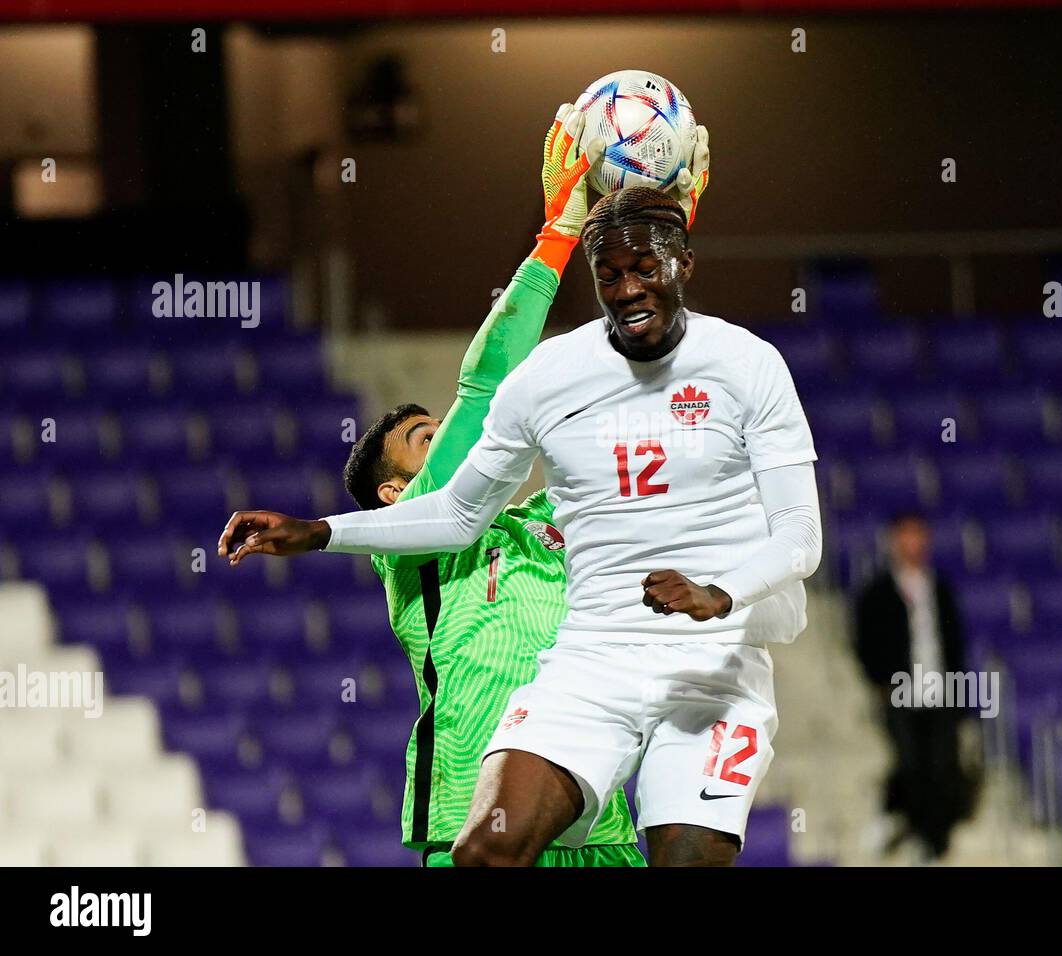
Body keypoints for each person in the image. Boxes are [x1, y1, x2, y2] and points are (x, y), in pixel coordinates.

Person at [219, 178, 822, 867]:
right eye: (610, 274)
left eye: (645, 267)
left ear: (682, 263)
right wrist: (322, 532)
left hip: (684, 708)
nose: (625, 288)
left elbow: (791, 532)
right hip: (575, 696)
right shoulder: (525, 412)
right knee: (488, 852)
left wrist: (724, 589)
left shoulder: (557, 511)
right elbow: (456, 486)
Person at [335, 104, 642, 866]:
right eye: (427, 443)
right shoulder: (411, 550)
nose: (455, 448)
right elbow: (488, 392)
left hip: (596, 826)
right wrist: (558, 235)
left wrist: (658, 239)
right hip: (473, 826)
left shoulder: (551, 516)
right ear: (392, 497)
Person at [854, 511, 971, 861]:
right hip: (899, 692)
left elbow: (955, 641)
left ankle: (934, 843)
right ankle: (902, 819)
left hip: (941, 691)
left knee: (942, 767)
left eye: (918, 536)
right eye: (905, 536)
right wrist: (880, 682)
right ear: (893, 541)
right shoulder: (877, 592)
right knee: (909, 763)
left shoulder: (941, 588)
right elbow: (864, 642)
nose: (912, 544)